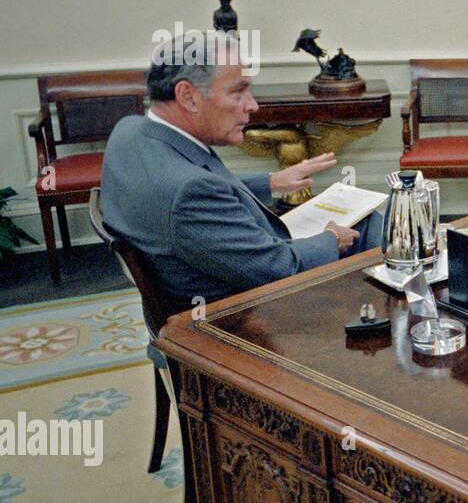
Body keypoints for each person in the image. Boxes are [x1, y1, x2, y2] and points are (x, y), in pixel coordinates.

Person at [99, 33, 383, 308]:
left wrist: (271, 182)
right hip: (242, 315)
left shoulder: (131, 132)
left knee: (366, 225)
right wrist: (331, 239)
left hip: (216, 277)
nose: (253, 105)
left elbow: (193, 192)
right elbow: (280, 268)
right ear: (187, 96)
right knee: (370, 229)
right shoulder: (190, 193)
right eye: (238, 91)